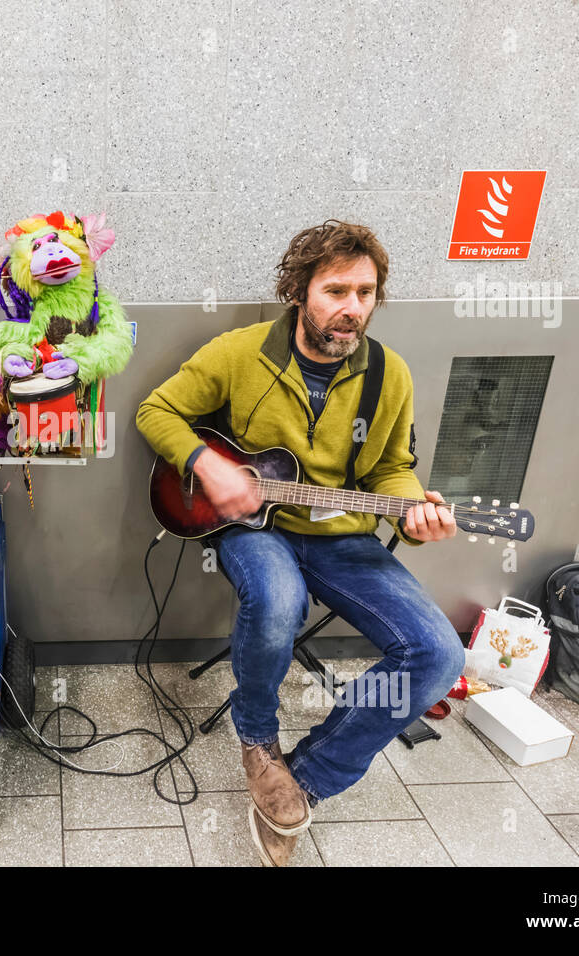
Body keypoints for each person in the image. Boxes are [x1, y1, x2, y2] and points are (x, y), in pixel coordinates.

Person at [135, 220, 464, 866]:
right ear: (297, 291)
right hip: (256, 530)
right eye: (336, 290)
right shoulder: (239, 353)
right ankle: (258, 740)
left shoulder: (387, 375)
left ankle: (305, 777)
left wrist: (413, 510)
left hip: (343, 538)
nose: (352, 308)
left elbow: (391, 468)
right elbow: (155, 412)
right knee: (278, 599)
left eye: (366, 292)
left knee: (439, 654)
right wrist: (209, 465)